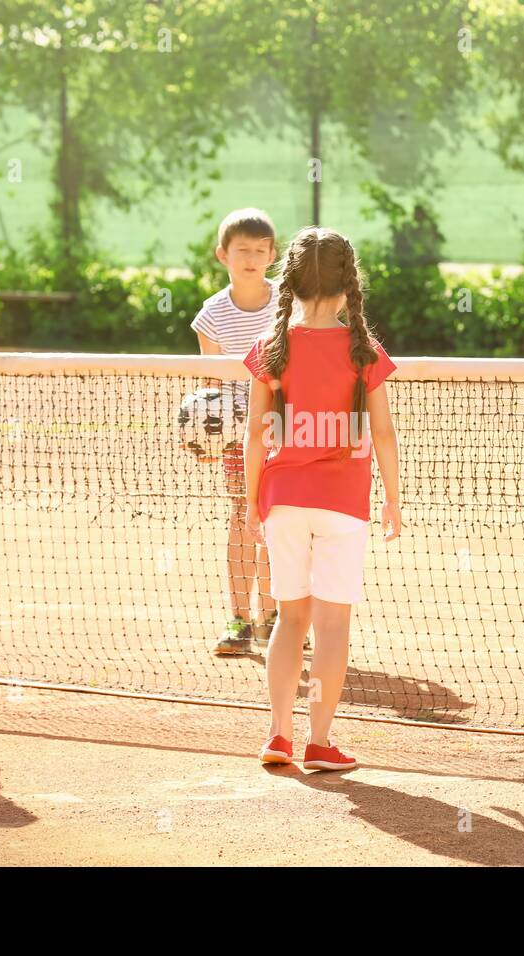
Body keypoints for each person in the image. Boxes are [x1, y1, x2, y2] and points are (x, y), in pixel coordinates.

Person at [242, 227, 402, 771]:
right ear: (348, 284)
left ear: (288, 281)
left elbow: (255, 434)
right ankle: (320, 741)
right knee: (332, 626)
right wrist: (393, 501)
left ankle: (278, 736)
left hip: (282, 502)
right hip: (343, 507)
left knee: (290, 619)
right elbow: (383, 433)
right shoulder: (365, 352)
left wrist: (250, 503)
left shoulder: (270, 350)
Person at [192, 208, 282, 655]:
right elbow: (210, 385)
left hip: (285, 429)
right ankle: (239, 620)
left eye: (260, 250)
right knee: (243, 518)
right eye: (242, 250)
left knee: (280, 522)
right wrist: (206, 436)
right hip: (237, 439)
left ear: (272, 255)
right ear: (222, 255)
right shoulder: (211, 315)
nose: (251, 257)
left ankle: (275, 619)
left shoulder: (289, 303)